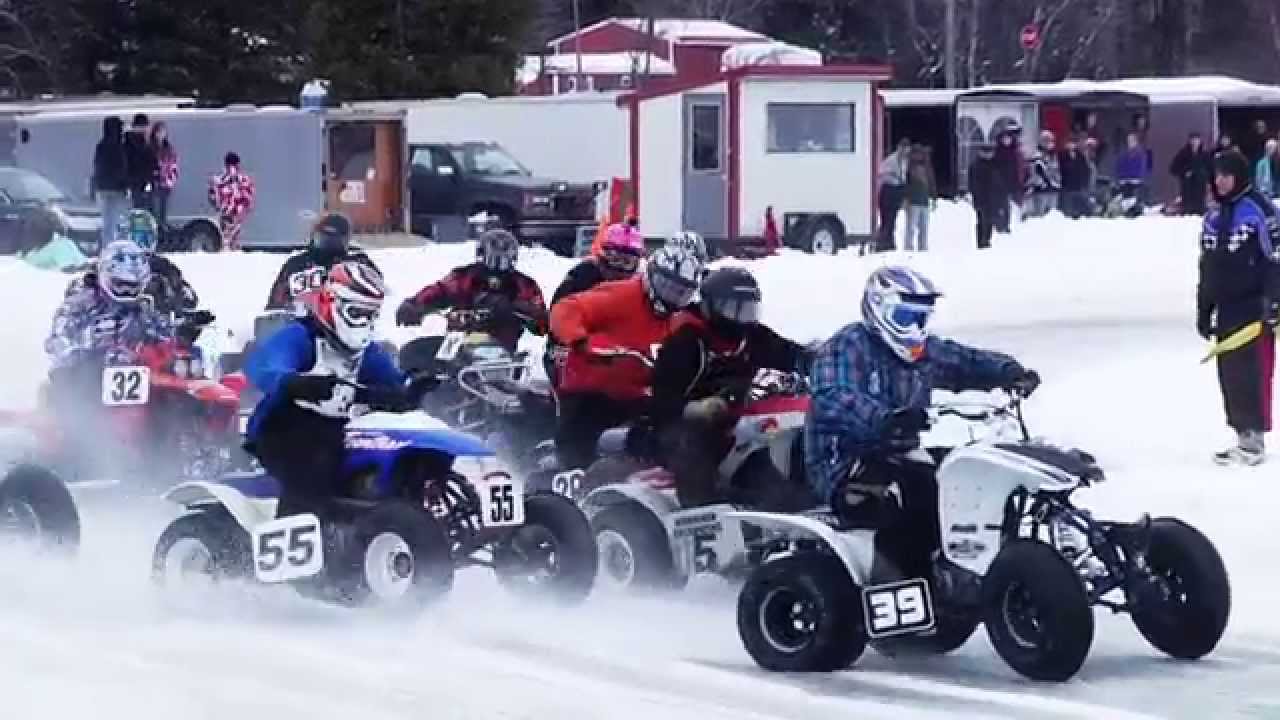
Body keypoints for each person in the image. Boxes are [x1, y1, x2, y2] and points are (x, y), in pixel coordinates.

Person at [804, 266, 1040, 580]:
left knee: (972, 477)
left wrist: (1008, 371)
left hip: (900, 452)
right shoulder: (846, 347)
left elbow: (963, 361)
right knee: (918, 494)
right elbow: (834, 397)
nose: (915, 328)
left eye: (921, 318)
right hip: (843, 461)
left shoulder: (920, 351)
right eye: (905, 318)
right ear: (878, 310)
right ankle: (919, 580)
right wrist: (883, 419)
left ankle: (981, 565)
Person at [244, 262, 423, 518]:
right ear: (332, 304)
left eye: (371, 315)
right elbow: (263, 366)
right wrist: (293, 383)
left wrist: (411, 388)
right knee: (315, 464)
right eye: (357, 313)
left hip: (340, 429)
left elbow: (391, 381)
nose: (365, 323)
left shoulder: (368, 352)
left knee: (392, 454)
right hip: (282, 429)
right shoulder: (300, 336)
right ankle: (303, 525)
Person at [649, 266, 812, 510]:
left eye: (748, 310)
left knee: (775, 484)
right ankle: (700, 515)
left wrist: (818, 361)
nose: (741, 319)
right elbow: (661, 400)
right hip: (685, 431)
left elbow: (789, 354)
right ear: (710, 307)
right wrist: (695, 409)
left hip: (737, 427)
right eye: (734, 309)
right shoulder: (686, 341)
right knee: (693, 453)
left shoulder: (751, 337)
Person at [549, 246, 704, 469]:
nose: (673, 297)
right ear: (652, 276)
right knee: (579, 447)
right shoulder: (620, 295)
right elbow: (566, 309)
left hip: (638, 396)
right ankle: (575, 481)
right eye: (668, 287)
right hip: (591, 390)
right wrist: (582, 342)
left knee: (673, 430)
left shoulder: (681, 318)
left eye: (682, 293)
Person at [1196, 150, 1280, 466]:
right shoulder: (1214, 217)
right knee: (1229, 373)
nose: (1220, 181)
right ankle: (1240, 430)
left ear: (1239, 176)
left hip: (1255, 307)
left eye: (1226, 175)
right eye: (1217, 175)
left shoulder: (1260, 211)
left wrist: (1274, 302)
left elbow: (1275, 260)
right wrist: (1204, 308)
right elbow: (1207, 266)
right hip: (1227, 307)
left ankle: (1254, 437)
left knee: (1253, 372)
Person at [395, 228, 548, 354]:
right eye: (491, 258)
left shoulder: (523, 284)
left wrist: (519, 310)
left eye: (502, 260)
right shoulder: (465, 276)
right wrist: (414, 304)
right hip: (458, 342)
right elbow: (439, 290)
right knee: (419, 355)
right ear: (480, 255)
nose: (496, 266)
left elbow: (542, 324)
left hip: (500, 351)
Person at [544, 222, 645, 385]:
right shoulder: (581, 277)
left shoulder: (640, 286)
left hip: (624, 353)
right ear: (603, 254)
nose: (620, 268)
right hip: (575, 349)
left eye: (627, 261)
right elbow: (558, 314)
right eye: (615, 258)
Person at [63, 210, 199, 320]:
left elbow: (189, 298)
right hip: (108, 318)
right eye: (137, 238)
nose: (141, 244)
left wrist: (174, 295)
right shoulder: (112, 259)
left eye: (147, 239)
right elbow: (90, 273)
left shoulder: (163, 266)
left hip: (149, 325)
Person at [266, 213, 380, 312]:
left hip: (345, 326)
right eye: (323, 238)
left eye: (334, 240)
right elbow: (275, 306)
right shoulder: (296, 265)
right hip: (301, 325)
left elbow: (377, 297)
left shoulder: (357, 264)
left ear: (345, 241)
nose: (328, 244)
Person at [91, 116, 129, 245]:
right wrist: (124, 182)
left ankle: (108, 245)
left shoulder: (101, 146)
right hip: (116, 189)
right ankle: (114, 247)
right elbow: (121, 167)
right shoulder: (118, 146)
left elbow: (97, 166)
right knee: (118, 221)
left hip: (103, 188)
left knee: (109, 221)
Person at [208, 152, 255, 251]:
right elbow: (249, 197)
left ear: (225, 164)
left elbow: (212, 196)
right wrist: (243, 209)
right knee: (234, 241)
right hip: (237, 215)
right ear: (238, 164)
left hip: (224, 214)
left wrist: (219, 207)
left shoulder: (219, 179)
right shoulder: (244, 179)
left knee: (224, 240)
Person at [967, 143, 1005, 249]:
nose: (989, 155)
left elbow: (998, 181)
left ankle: (987, 240)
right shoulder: (976, 165)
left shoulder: (994, 164)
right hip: (981, 197)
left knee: (990, 220)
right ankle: (981, 241)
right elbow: (973, 183)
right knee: (982, 220)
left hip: (992, 197)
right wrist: (975, 195)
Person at [876, 138, 911, 251]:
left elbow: (904, 176)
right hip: (888, 190)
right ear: (899, 148)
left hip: (897, 191)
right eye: (903, 148)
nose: (905, 152)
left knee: (893, 219)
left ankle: (889, 242)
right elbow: (881, 173)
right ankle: (882, 244)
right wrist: (893, 177)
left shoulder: (905, 161)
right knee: (886, 219)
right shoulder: (891, 160)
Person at [1170, 132, 1213, 216]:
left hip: (1200, 187)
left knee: (1199, 210)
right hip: (1187, 187)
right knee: (1187, 210)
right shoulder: (1183, 153)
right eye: (1193, 140)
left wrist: (1204, 175)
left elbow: (1211, 169)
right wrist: (1185, 172)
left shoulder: (1205, 154)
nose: (1195, 142)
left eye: (1196, 140)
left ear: (1200, 141)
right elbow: (1173, 168)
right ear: (1189, 141)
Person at [902, 145, 935, 252]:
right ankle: (909, 247)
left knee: (923, 227)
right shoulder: (909, 167)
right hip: (913, 200)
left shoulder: (927, 167)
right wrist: (905, 198)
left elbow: (931, 182)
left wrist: (934, 197)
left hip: (923, 200)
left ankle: (922, 247)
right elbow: (906, 184)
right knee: (911, 227)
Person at [993, 127, 1024, 231]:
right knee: (1002, 205)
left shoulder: (1013, 151)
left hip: (1013, 182)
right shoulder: (998, 152)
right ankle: (1001, 225)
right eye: (1004, 138)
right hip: (1000, 184)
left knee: (1011, 206)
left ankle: (1007, 224)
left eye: (1008, 138)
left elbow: (1017, 167)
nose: (1007, 140)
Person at [149, 121, 179, 232]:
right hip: (154, 184)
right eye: (159, 131)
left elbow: (174, 165)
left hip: (166, 184)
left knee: (164, 208)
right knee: (154, 208)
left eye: (163, 131)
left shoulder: (169, 148)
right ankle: (155, 228)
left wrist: (171, 179)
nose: (161, 134)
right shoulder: (151, 147)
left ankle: (162, 227)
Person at [1113, 132, 1152, 217]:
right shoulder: (1124, 154)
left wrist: (1139, 178)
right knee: (1125, 199)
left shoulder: (1140, 154)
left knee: (1132, 199)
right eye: (1129, 140)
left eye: (1132, 140)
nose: (1130, 142)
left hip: (1135, 180)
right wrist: (1120, 178)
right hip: (1124, 180)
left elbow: (1141, 168)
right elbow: (1119, 166)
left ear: (1136, 141)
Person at [124, 113, 157, 212]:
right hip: (136, 182)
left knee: (147, 209)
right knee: (139, 209)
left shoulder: (147, 142)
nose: (146, 129)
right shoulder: (131, 143)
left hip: (145, 181)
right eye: (143, 127)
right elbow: (129, 163)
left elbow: (152, 161)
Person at [1026, 130, 1062, 218]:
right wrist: (1042, 183)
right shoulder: (1036, 156)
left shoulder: (1053, 155)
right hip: (1040, 191)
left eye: (1051, 141)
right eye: (1046, 141)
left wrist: (1057, 183)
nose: (1049, 144)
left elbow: (1056, 171)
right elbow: (1035, 173)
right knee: (1039, 217)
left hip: (1053, 190)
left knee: (1052, 216)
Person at [1058, 136, 1093, 219]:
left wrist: (1084, 183)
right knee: (1068, 210)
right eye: (1069, 143)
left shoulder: (1080, 155)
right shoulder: (1062, 155)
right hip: (1067, 187)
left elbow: (1086, 170)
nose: (1071, 145)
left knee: (1079, 209)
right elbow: (1060, 169)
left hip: (1078, 187)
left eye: (1072, 143)